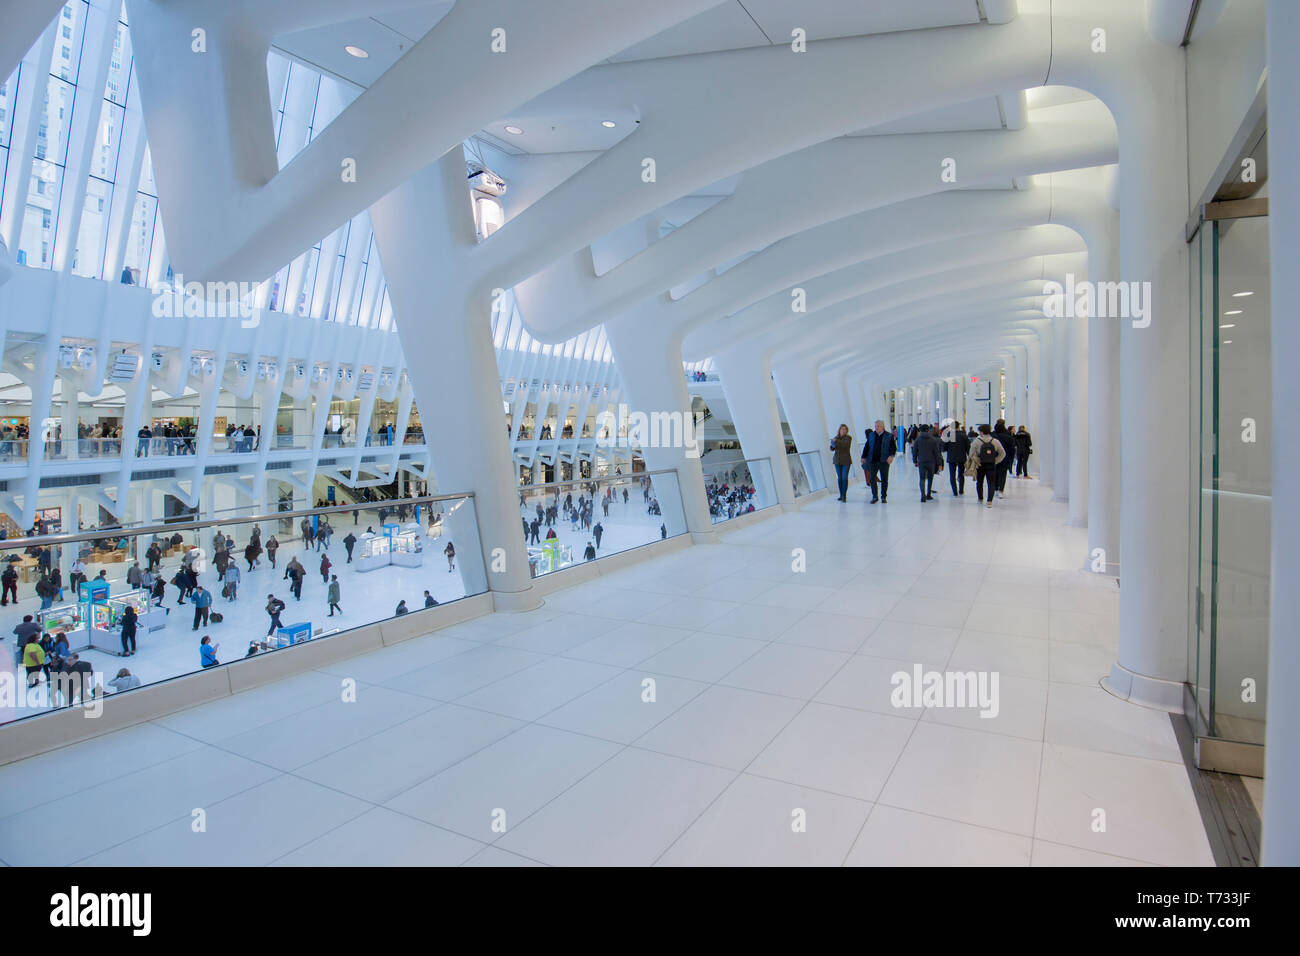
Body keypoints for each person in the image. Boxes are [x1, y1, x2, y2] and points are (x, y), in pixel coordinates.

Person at [860, 420, 897, 504]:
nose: (877, 428)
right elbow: (867, 446)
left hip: (884, 461)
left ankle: (883, 497)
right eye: (876, 426)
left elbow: (893, 448)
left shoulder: (889, 436)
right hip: (872, 461)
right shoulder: (871, 435)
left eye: (878, 426)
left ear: (883, 427)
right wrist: (863, 456)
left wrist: (891, 456)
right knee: (872, 479)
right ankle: (875, 496)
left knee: (884, 479)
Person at [972, 423, 1006, 508]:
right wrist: (996, 461)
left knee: (979, 482)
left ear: (982, 432)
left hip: (980, 464)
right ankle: (989, 501)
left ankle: (980, 498)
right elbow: (1003, 453)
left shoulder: (977, 441)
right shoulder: (995, 441)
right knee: (991, 483)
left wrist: (977, 460)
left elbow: (971, 453)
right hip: (991, 464)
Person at [911, 424, 943, 502]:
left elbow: (914, 452)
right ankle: (928, 494)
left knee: (922, 479)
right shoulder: (933, 440)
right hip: (931, 462)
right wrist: (939, 463)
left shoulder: (918, 440)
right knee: (930, 478)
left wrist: (915, 461)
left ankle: (923, 495)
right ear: (928, 430)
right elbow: (937, 453)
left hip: (921, 461)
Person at [942, 420, 970, 496]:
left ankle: (955, 492)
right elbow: (968, 447)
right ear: (958, 427)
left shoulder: (949, 435)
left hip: (951, 457)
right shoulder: (964, 435)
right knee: (961, 474)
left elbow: (944, 447)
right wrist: (969, 456)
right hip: (962, 457)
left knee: (952, 475)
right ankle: (961, 490)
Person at [992, 420, 1016, 497]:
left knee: (994, 473)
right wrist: (1011, 458)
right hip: (1005, 458)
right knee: (1003, 474)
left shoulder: (992, 436)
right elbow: (1012, 449)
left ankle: (995, 488)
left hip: (993, 458)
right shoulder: (1008, 437)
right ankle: (1001, 489)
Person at [830, 424, 853, 502]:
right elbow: (832, 448)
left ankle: (844, 495)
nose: (843, 430)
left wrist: (836, 441)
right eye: (842, 429)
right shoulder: (836, 438)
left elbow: (845, 445)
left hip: (846, 461)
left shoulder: (848, 438)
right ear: (839, 430)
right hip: (837, 461)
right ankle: (841, 494)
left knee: (844, 478)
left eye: (845, 429)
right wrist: (832, 444)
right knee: (839, 478)